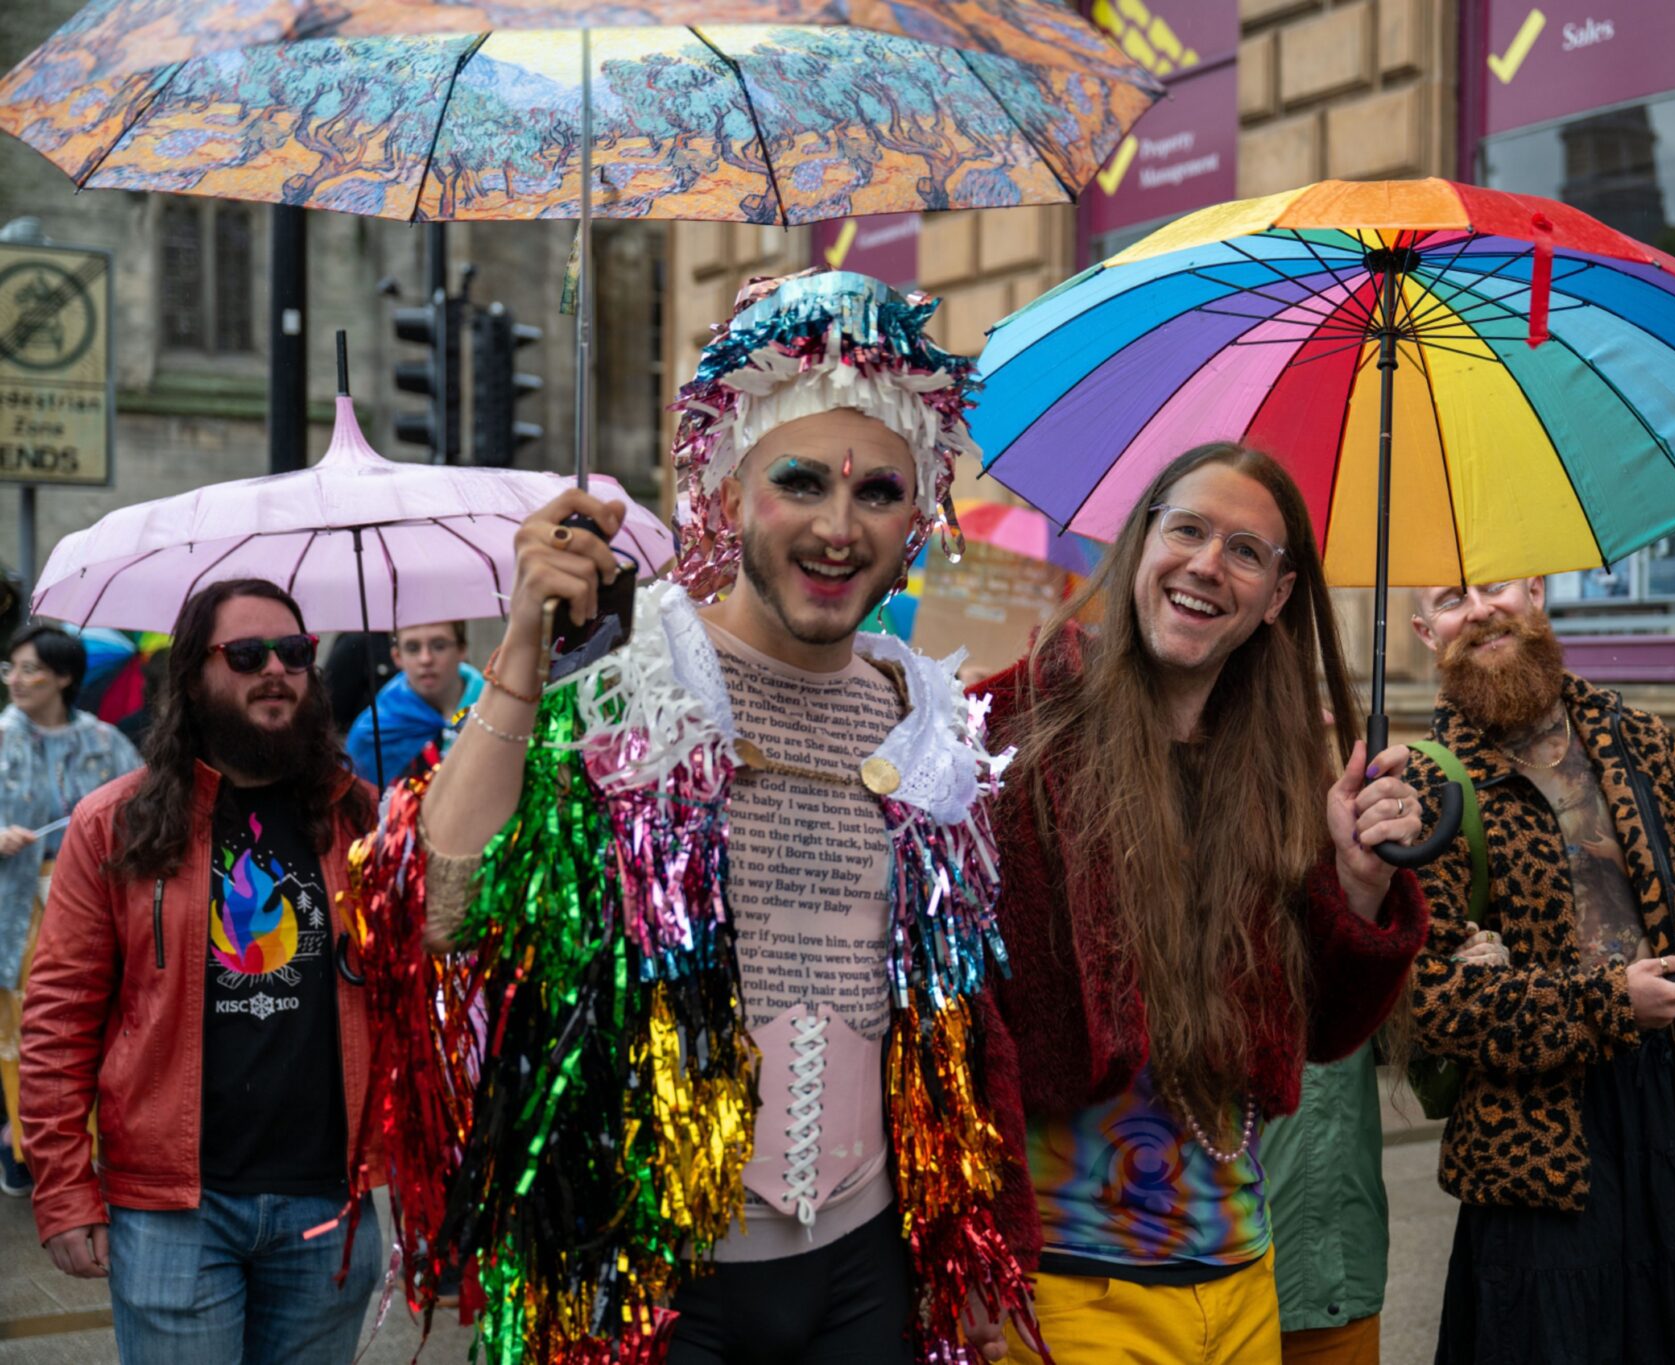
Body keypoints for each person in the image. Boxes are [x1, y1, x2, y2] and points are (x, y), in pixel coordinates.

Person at [354, 271, 1034, 1363]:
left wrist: (978, 1233)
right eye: (800, 483)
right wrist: (523, 653)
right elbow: (439, 911)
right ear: (724, 493)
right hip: (657, 1274)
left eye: (877, 494)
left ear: (920, 513)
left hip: (870, 1269)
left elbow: (958, 1026)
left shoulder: (931, 720)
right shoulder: (634, 676)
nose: (836, 528)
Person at [975, 443, 1431, 1364]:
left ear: (1278, 596)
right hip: (1068, 1292)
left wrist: (1359, 884)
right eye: (1186, 529)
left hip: (1240, 1287)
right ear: (1140, 540)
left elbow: (1324, 1031)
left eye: (1246, 551)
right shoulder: (999, 740)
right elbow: (955, 1031)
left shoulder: (1280, 776)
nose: (1206, 565)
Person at [1401, 576, 1675, 1365]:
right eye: (1450, 597)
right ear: (1426, 631)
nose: (1480, 609)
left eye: (1494, 583)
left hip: (1658, 1109)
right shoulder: (1424, 784)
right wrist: (1609, 1002)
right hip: (1530, 1146)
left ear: (1536, 590)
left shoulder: (1635, 735)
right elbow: (1433, 999)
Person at [19, 580, 383, 1362]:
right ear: (192, 675)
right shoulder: (113, 822)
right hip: (172, 1209)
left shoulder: (358, 814)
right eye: (247, 655)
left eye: (295, 653)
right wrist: (61, 1184)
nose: (277, 671)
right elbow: (59, 1015)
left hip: (327, 1205)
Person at [0, 622, 140, 1195]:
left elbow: (142, 803)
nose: (16, 680)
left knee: (93, 1014)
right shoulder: (2, 736)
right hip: (17, 906)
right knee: (29, 1024)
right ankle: (26, 1144)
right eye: (10, 668)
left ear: (63, 677)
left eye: (30, 669)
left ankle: (100, 1142)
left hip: (89, 898)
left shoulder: (106, 741)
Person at [344, 620, 481, 786]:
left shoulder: (494, 713)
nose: (426, 659)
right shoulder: (373, 733)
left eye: (439, 646)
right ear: (397, 656)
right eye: (412, 648)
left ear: (462, 649)